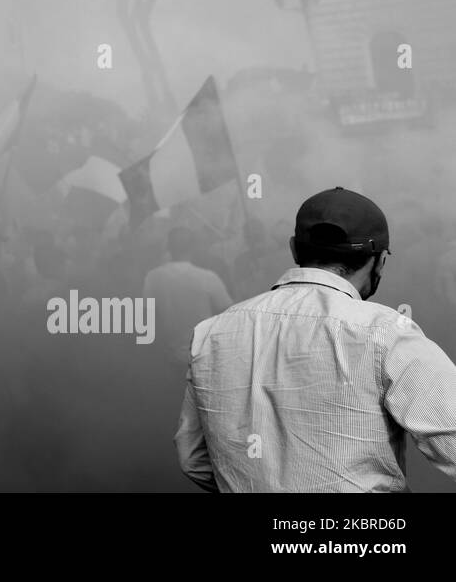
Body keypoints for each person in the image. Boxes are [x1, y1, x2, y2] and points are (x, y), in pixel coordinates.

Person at [175, 187, 456, 492]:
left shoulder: (212, 332)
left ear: (295, 249)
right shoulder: (386, 331)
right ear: (380, 261)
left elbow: (194, 459)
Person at [142, 227, 232, 367]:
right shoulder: (208, 277)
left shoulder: (153, 277)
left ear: (168, 247)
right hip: (203, 355)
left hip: (168, 356)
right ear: (193, 247)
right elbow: (228, 312)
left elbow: (148, 316)